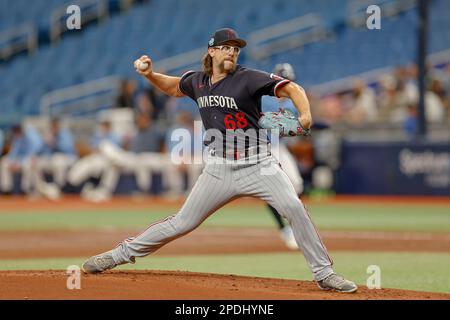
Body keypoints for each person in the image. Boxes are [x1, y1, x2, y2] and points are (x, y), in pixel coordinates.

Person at [82, 28, 357, 293]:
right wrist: (150, 74)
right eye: (226, 47)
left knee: (294, 208)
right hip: (218, 168)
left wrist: (305, 116)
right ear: (211, 51)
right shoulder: (197, 81)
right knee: (182, 223)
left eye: (236, 49)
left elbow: (292, 89)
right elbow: (174, 87)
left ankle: (324, 274)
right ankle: (118, 255)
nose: (232, 52)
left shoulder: (249, 78)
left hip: (258, 164)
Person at [262, 63, 303, 250]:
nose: (286, 83)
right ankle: (283, 228)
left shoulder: (292, 102)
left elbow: (291, 128)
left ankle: (291, 221)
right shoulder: (262, 98)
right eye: (281, 79)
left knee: (296, 183)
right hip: (263, 147)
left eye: (288, 80)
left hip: (280, 147)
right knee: (269, 189)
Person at [27, 118, 77, 200]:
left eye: (55, 126)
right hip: (52, 159)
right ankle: (39, 189)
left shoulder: (65, 134)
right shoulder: (49, 134)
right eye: (52, 126)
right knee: (34, 162)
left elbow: (68, 149)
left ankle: (59, 188)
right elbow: (40, 150)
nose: (54, 128)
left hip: (68, 158)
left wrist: (55, 143)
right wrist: (36, 154)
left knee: (58, 160)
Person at [0, 123, 43, 195]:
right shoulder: (17, 137)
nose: (16, 132)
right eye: (15, 130)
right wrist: (12, 163)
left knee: (27, 163)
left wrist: (18, 163)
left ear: (21, 129)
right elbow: (13, 152)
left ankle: (25, 189)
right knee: (4, 162)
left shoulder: (31, 136)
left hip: (30, 158)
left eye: (17, 130)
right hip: (19, 159)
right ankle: (6, 189)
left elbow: (32, 153)